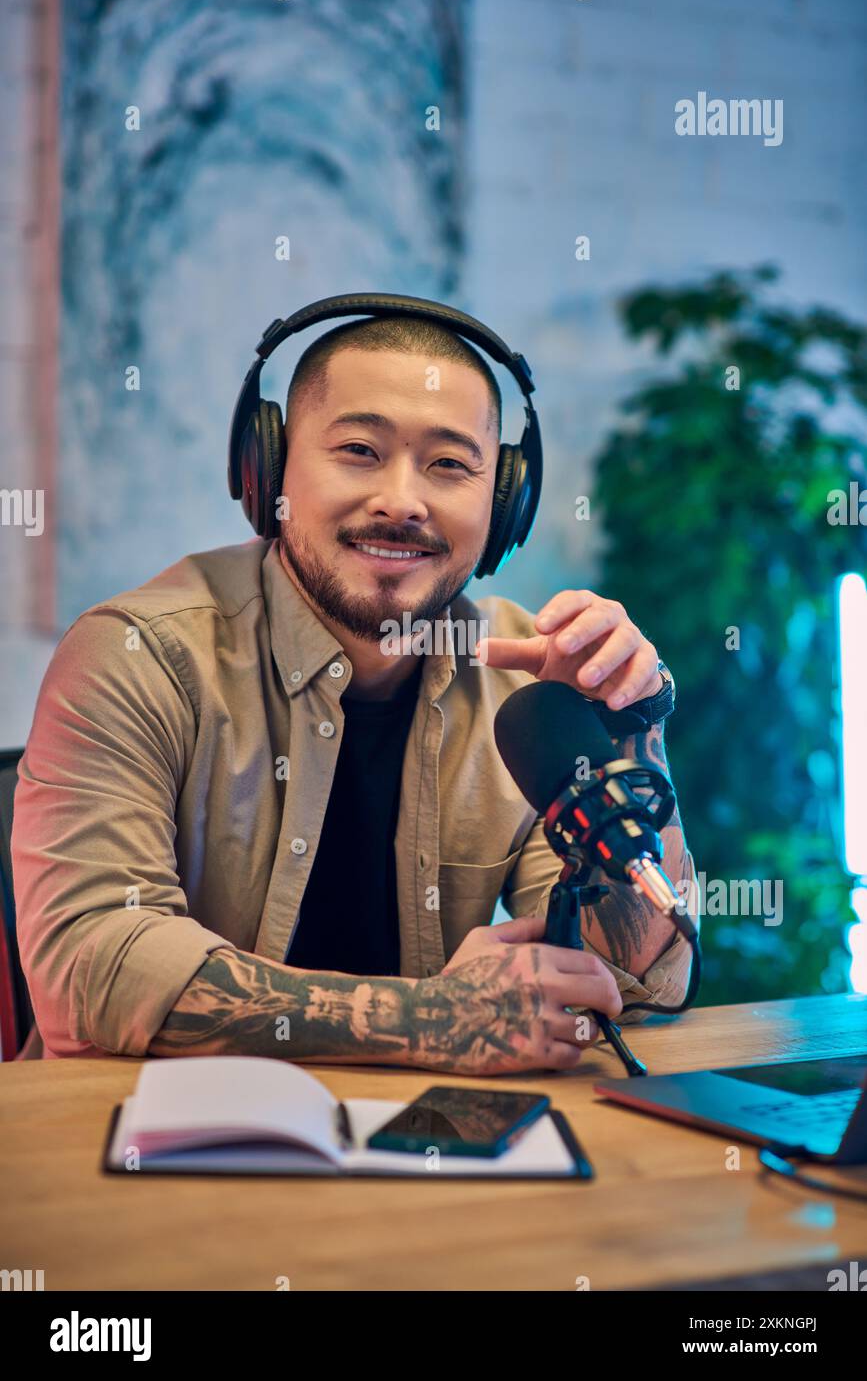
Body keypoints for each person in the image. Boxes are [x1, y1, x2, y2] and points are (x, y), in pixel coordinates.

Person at [12, 313, 697, 1071]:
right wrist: (437, 1019)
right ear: (268, 475)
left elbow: (636, 980)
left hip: (429, 1153)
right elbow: (91, 966)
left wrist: (635, 724)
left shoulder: (522, 679)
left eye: (448, 465)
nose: (401, 501)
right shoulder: (137, 655)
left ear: (503, 504)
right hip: (144, 1154)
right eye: (358, 452)